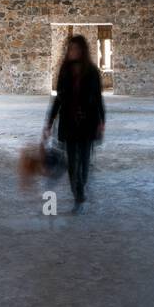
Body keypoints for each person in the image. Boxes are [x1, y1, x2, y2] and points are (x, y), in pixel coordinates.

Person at [43, 34, 105, 213]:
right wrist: (49, 122)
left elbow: (99, 99)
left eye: (76, 48)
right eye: (70, 48)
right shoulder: (64, 72)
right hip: (69, 123)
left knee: (84, 163)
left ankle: (81, 187)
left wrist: (102, 121)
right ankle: (78, 195)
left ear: (82, 50)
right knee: (72, 164)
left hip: (88, 123)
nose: (73, 52)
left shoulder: (92, 72)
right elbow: (58, 99)